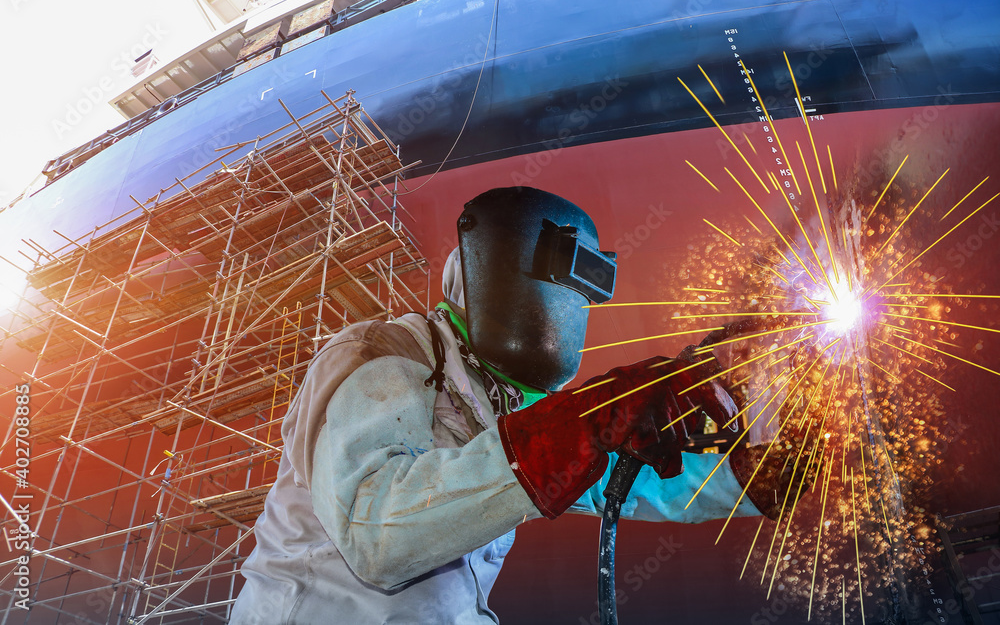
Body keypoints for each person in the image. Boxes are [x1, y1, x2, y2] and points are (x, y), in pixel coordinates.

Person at [230, 186, 789, 624]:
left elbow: (635, 480)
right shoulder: (383, 355)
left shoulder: (509, 405)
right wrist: (583, 424)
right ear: (496, 269)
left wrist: (760, 466)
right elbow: (376, 534)